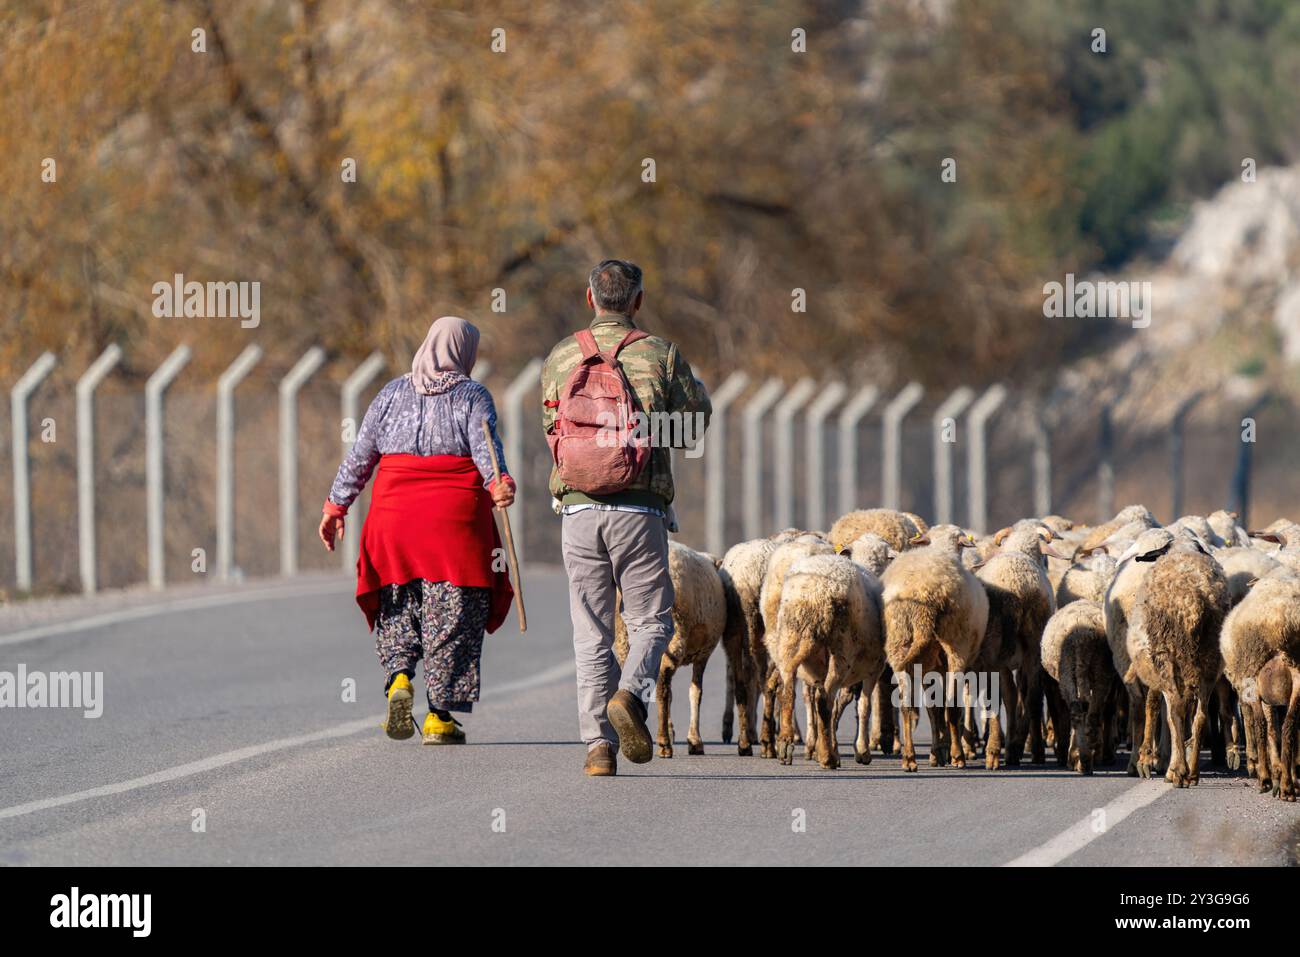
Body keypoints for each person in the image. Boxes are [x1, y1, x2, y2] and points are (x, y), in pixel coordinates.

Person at [542, 259, 711, 776]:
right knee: (651, 620)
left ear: (589, 297)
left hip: (577, 509)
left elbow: (552, 428)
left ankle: (598, 747)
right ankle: (632, 695)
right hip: (639, 509)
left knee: (591, 631)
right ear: (638, 301)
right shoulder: (661, 354)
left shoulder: (562, 355)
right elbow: (692, 430)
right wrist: (647, 430)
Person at [320, 316, 515, 746]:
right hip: (453, 524)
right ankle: (439, 718)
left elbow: (360, 457)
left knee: (398, 602)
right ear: (464, 352)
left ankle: (399, 677)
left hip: (393, 520)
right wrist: (499, 483)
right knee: (453, 614)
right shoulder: (472, 395)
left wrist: (336, 506)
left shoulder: (390, 393)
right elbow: (487, 452)